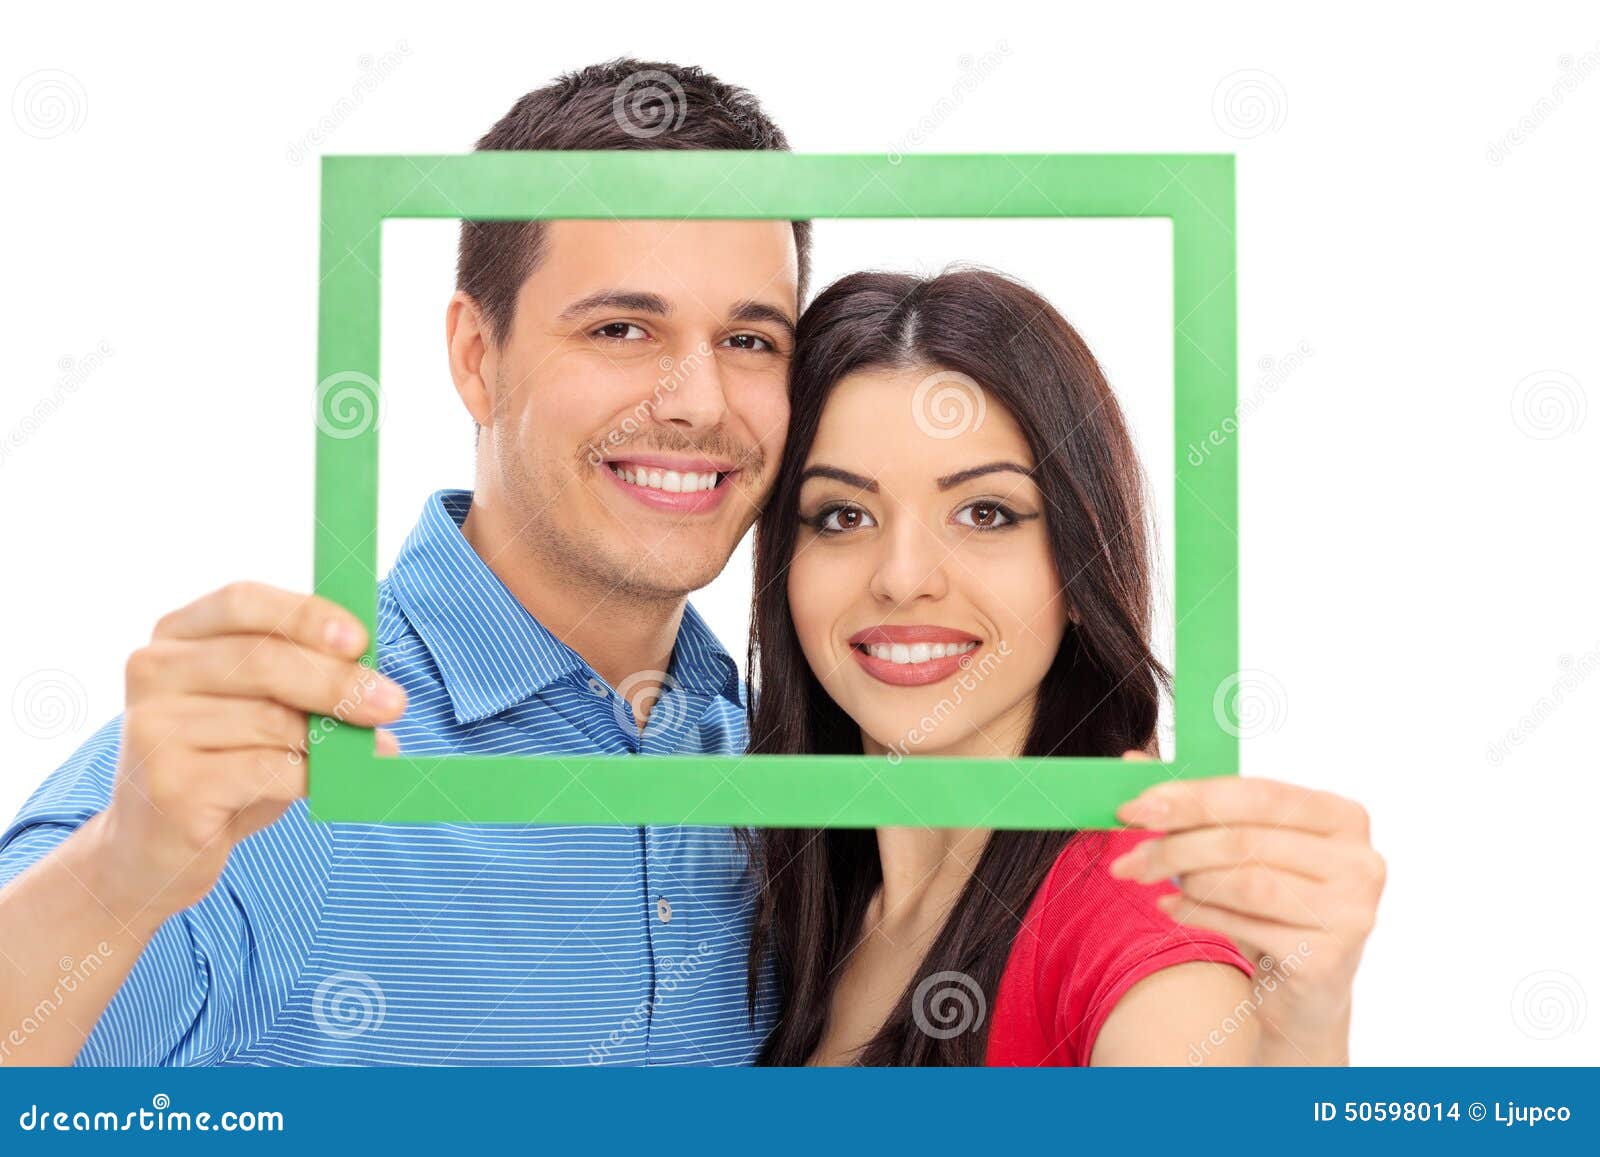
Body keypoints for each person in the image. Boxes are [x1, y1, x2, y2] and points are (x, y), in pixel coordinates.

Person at [0, 59, 809, 1066]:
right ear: (477, 355)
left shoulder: (782, 773)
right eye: (621, 327)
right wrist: (116, 873)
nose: (697, 400)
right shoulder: (283, 767)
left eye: (748, 337)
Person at [744, 270, 1386, 1065]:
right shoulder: (804, 899)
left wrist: (1304, 1042)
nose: (903, 575)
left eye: (985, 513)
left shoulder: (1134, 910)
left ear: (1081, 567)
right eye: (843, 515)